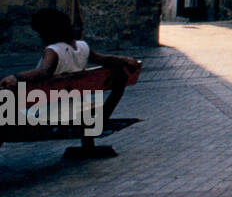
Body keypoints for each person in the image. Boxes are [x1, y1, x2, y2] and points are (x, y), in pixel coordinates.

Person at [0, 9, 141, 122]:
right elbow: (104, 59)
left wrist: (16, 77)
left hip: (48, 113)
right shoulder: (82, 47)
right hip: (77, 108)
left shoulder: (53, 50)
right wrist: (124, 59)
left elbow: (44, 72)